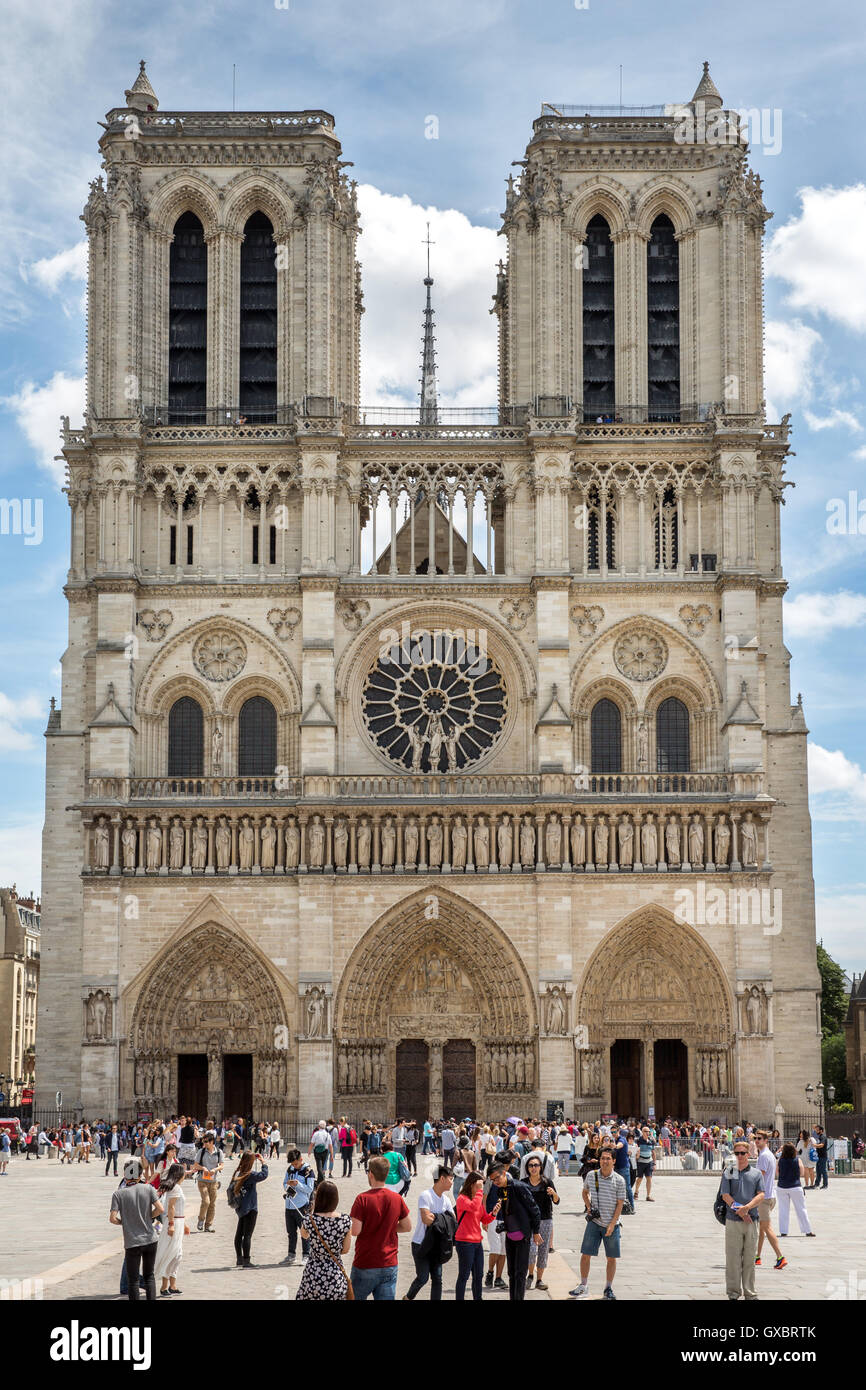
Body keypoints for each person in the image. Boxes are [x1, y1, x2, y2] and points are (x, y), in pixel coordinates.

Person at [349, 1154, 412, 1300]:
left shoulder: (362, 1199)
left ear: (370, 1174)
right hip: (388, 1262)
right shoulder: (397, 1198)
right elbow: (407, 1226)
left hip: (366, 1261)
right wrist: (389, 1226)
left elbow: (355, 1231)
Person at [570, 1146, 626, 1301]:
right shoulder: (591, 1175)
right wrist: (589, 1207)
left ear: (614, 1161)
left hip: (612, 1224)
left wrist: (611, 1224)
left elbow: (620, 1204)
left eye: (608, 1158)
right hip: (594, 1222)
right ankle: (583, 1285)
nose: (605, 1161)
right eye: (602, 1158)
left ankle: (608, 1288)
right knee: (585, 1254)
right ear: (599, 1160)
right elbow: (584, 1192)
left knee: (611, 1258)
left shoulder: (619, 1180)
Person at [486, 1162, 542, 1301]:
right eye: (492, 1180)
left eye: (497, 1178)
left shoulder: (519, 1187)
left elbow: (535, 1210)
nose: (495, 1182)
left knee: (520, 1272)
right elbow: (509, 1212)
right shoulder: (501, 1190)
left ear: (504, 1173)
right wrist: (504, 1225)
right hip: (510, 1235)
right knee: (511, 1272)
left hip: (523, 1235)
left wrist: (536, 1231)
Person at [109, 1157, 164, 1302]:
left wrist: (124, 1222)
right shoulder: (148, 1188)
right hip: (150, 1239)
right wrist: (148, 1216)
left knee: (133, 1280)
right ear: (140, 1175)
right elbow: (160, 1209)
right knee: (149, 1276)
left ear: (125, 1175)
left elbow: (112, 1218)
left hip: (132, 1241)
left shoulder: (118, 1194)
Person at [720, 1138, 765, 1300]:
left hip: (752, 1221)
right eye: (737, 1153)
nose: (740, 1156)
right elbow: (725, 1195)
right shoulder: (729, 1172)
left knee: (749, 1259)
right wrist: (741, 1211)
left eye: (743, 1153)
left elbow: (761, 1194)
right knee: (732, 1259)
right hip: (733, 1221)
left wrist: (747, 1208)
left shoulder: (756, 1174)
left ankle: (749, 1292)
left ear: (749, 1154)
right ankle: (733, 1293)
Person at [404, 1165, 455, 1300]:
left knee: (437, 1278)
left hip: (438, 1245)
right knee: (423, 1277)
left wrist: (436, 1217)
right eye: (451, 1179)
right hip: (421, 1243)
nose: (452, 1182)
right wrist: (443, 1217)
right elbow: (426, 1219)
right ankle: (408, 1297)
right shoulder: (425, 1195)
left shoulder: (447, 1199)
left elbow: (453, 1222)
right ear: (442, 1179)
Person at [297, 1179, 352, 1301]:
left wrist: (312, 1211)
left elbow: (304, 1235)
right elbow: (345, 1250)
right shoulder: (345, 1220)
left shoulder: (309, 1220)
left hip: (312, 1276)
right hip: (335, 1276)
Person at [455, 1169, 499, 1300]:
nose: (482, 1187)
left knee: (478, 1275)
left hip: (476, 1242)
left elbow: (484, 1219)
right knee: (464, 1275)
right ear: (472, 1184)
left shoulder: (477, 1200)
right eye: (480, 1184)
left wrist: (494, 1214)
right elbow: (473, 1207)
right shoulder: (462, 1199)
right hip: (464, 1242)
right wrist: (480, 1191)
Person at [524, 1154, 560, 1291]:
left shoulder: (547, 1182)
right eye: (531, 1165)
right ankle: (531, 1275)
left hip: (545, 1220)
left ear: (541, 1167)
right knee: (531, 1250)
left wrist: (554, 1194)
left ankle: (539, 1279)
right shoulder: (523, 1183)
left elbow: (557, 1201)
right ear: (527, 1168)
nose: (533, 1168)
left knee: (543, 1251)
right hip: (529, 1221)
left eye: (536, 1165)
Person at [754, 1130, 786, 1270]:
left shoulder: (763, 1157)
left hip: (764, 1197)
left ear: (766, 1140)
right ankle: (757, 1256)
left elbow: (758, 1178)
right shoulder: (770, 1155)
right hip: (771, 1195)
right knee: (762, 1227)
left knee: (766, 1227)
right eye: (755, 1138)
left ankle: (780, 1257)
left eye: (759, 1138)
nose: (756, 1140)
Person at [230, 1152, 268, 1268]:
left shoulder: (239, 1172)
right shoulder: (250, 1175)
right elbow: (264, 1175)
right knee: (247, 1235)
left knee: (239, 1234)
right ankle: (247, 1261)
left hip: (241, 1207)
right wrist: (263, 1163)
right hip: (251, 1207)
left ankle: (239, 1259)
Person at [154, 1162, 187, 1296]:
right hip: (174, 1222)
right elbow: (171, 1207)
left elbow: (177, 1207)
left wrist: (184, 1224)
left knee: (177, 1254)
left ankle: (172, 1285)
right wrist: (172, 1224)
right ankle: (164, 1287)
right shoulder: (176, 1188)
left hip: (178, 1221)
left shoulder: (173, 1187)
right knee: (172, 1254)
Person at [282, 1147, 316, 1265]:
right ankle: (291, 1255)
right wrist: (287, 1185)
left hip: (302, 1205)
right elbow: (284, 1182)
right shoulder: (290, 1169)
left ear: (301, 1159)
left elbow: (309, 1189)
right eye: (292, 1164)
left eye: (296, 1163)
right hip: (290, 1204)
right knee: (291, 1232)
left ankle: (306, 1255)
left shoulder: (308, 1170)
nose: (294, 1166)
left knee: (304, 1231)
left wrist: (298, 1184)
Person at [775, 1142, 815, 1238]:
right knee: (801, 1209)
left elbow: (777, 1173)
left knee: (783, 1209)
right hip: (795, 1186)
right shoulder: (797, 1160)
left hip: (782, 1186)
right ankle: (807, 1230)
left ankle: (783, 1231)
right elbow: (801, 1173)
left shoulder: (780, 1160)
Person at [191, 1130, 223, 1233]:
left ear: (212, 1142)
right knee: (206, 1201)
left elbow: (222, 1165)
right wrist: (203, 1168)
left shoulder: (219, 1152)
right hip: (202, 1181)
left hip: (213, 1181)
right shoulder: (201, 1151)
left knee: (212, 1204)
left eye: (206, 1142)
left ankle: (208, 1225)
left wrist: (215, 1169)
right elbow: (195, 1165)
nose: (204, 1144)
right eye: (203, 1142)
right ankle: (201, 1219)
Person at [633, 1125, 655, 1201]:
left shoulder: (651, 1140)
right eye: (646, 1131)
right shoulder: (639, 1140)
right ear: (642, 1132)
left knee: (649, 1178)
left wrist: (654, 1163)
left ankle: (648, 1196)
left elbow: (653, 1152)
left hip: (649, 1161)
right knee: (639, 1178)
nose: (647, 1133)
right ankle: (636, 1192)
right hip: (641, 1161)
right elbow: (636, 1150)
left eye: (648, 1131)